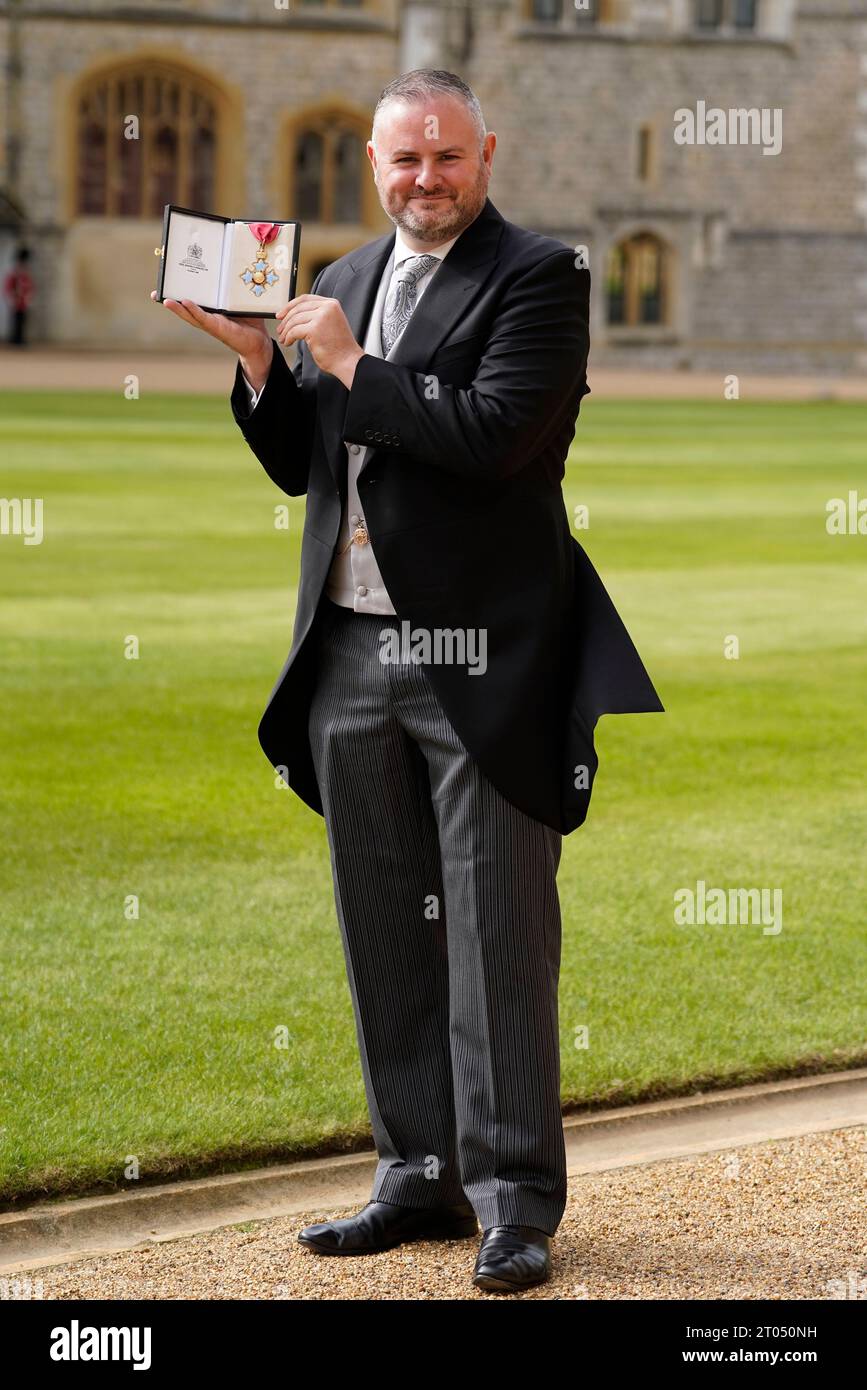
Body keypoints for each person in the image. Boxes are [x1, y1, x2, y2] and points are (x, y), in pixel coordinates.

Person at [152, 68, 663, 1295]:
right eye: (402, 161)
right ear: (376, 165)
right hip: (346, 650)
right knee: (385, 929)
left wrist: (354, 362)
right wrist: (262, 369)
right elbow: (307, 465)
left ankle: (515, 1204)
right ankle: (416, 1177)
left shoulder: (542, 276)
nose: (421, 179)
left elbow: (497, 434)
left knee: (495, 933)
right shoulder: (335, 280)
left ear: (484, 152)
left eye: (444, 157)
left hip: (477, 653)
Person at [4, 246, 34, 346]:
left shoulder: (25, 275)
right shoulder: (15, 275)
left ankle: (20, 338)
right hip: (16, 301)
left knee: (22, 321)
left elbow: (29, 287)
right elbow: (9, 287)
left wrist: (28, 298)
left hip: (23, 301)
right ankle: (15, 339)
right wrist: (11, 298)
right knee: (15, 321)